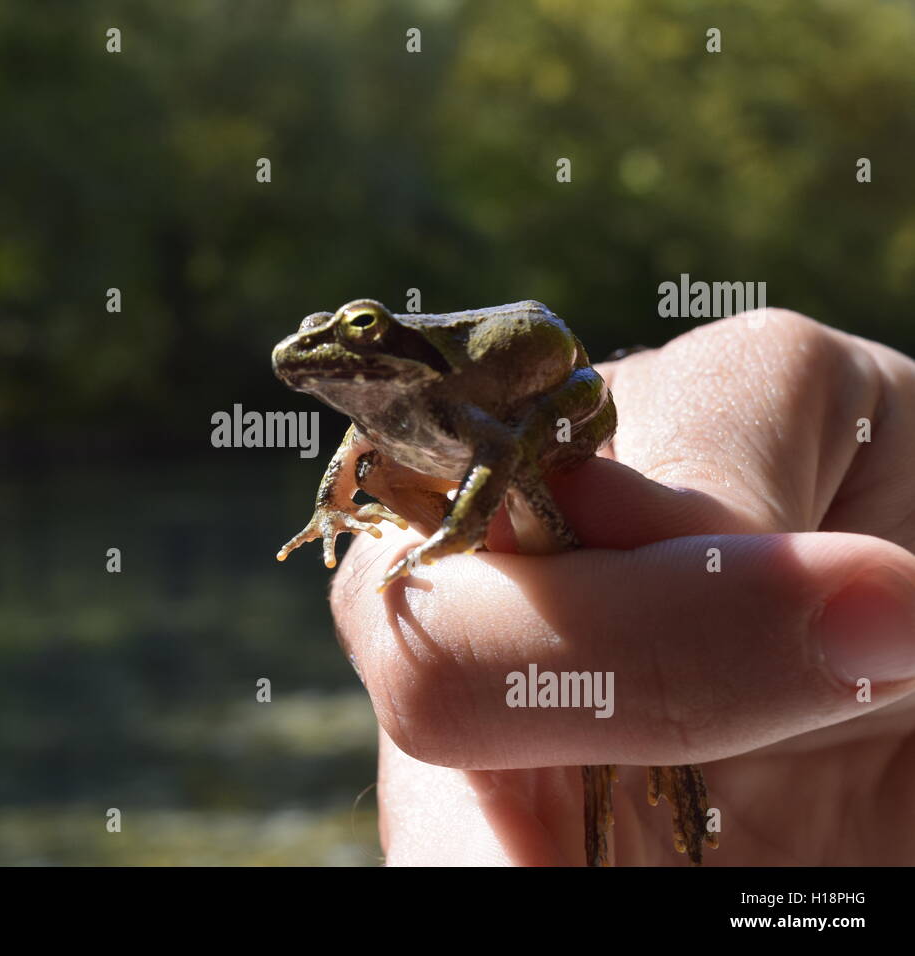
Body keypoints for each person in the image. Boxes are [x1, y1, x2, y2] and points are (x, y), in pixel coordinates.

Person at [328, 309, 915, 865]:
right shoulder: (386, 415)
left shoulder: (442, 399)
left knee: (527, 484)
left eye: (355, 328)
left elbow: (503, 449)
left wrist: (460, 531)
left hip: (563, 401)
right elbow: (356, 457)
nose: (318, 348)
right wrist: (332, 514)